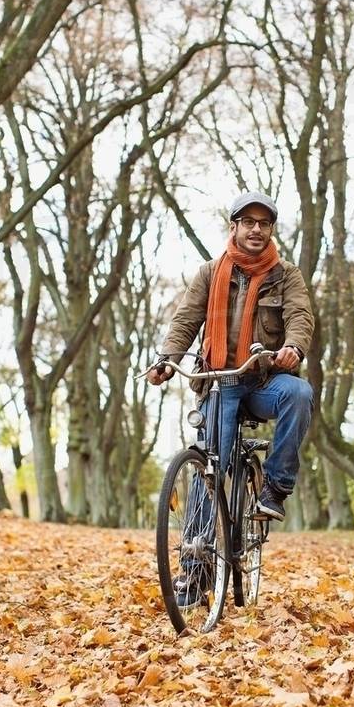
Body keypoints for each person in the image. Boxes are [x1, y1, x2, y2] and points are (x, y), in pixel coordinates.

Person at [148, 191, 314, 524]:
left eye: (264, 224)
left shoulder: (286, 275)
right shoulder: (210, 273)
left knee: (299, 394)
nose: (256, 230)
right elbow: (186, 320)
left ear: (271, 230)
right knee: (211, 463)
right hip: (219, 382)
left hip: (264, 380)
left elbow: (300, 315)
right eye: (249, 222)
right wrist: (167, 358)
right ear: (234, 226)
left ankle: (274, 489)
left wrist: (293, 347)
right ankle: (197, 561)